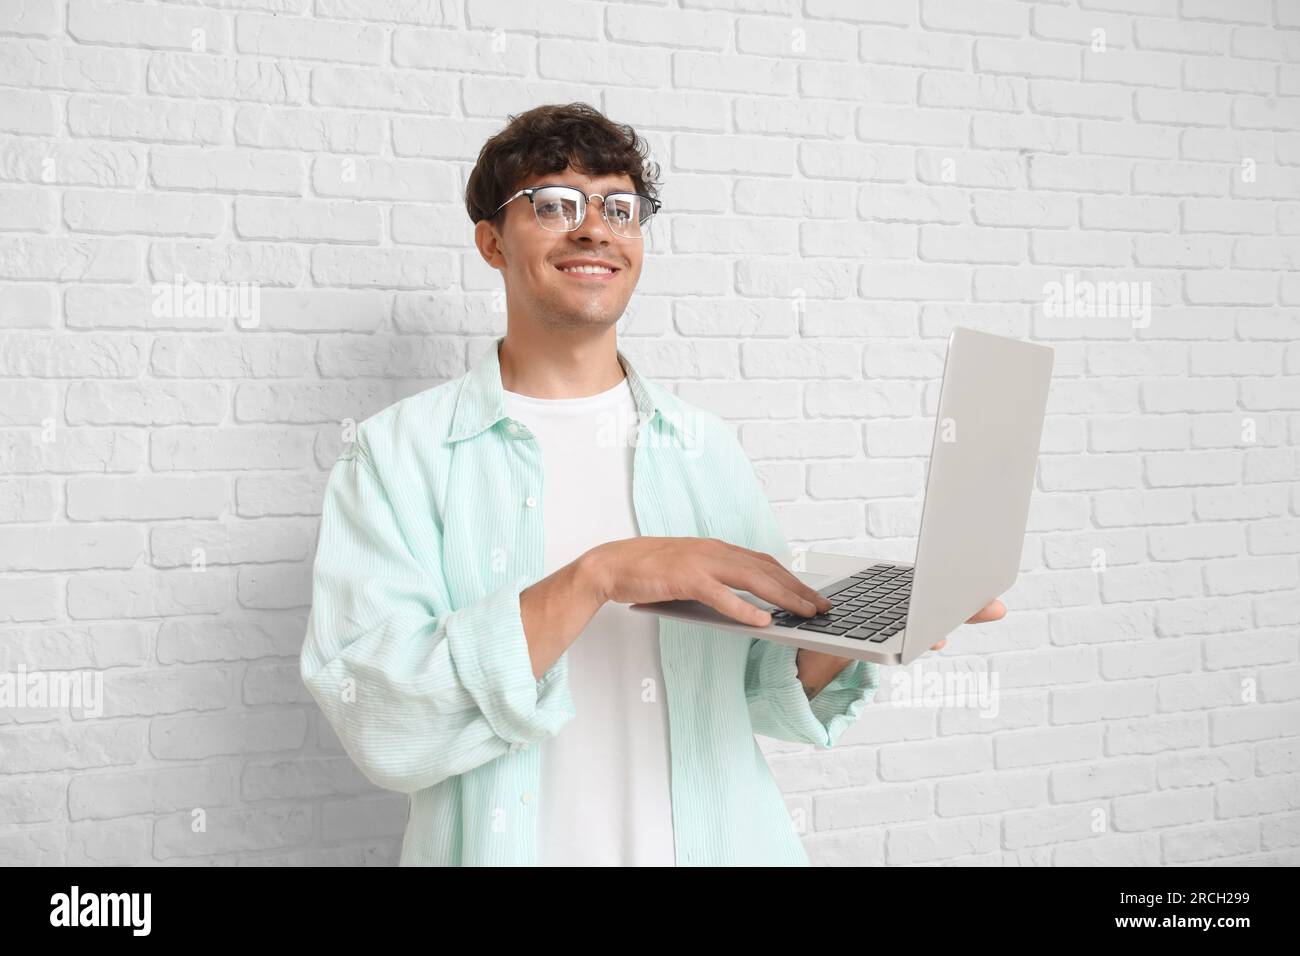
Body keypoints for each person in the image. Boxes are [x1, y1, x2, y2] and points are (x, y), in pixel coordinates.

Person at [300, 102, 1007, 866]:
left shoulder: (705, 448)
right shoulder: (396, 455)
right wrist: (598, 574)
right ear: (491, 242)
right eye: (555, 204)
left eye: (619, 207)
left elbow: (761, 690)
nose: (595, 228)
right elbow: (377, 719)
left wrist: (869, 634)